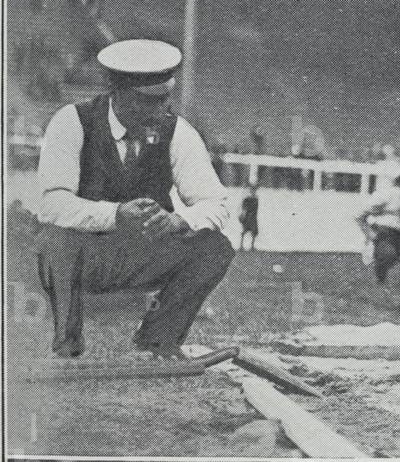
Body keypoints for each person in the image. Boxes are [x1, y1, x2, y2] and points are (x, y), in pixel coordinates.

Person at [34, 40, 234, 358]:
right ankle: (67, 346)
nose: (160, 111)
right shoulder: (71, 122)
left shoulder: (177, 131)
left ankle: (157, 341)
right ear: (117, 92)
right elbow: (52, 205)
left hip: (143, 255)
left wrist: (178, 221)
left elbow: (216, 203)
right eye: (147, 101)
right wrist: (115, 214)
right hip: (89, 254)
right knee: (53, 241)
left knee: (215, 247)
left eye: (166, 99)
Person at [239, 185, 260, 252]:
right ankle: (241, 246)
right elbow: (244, 208)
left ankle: (252, 246)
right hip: (247, 217)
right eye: (252, 190)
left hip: (253, 217)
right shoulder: (247, 199)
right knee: (244, 231)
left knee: (254, 232)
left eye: (254, 190)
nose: (253, 191)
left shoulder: (256, 199)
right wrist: (243, 215)